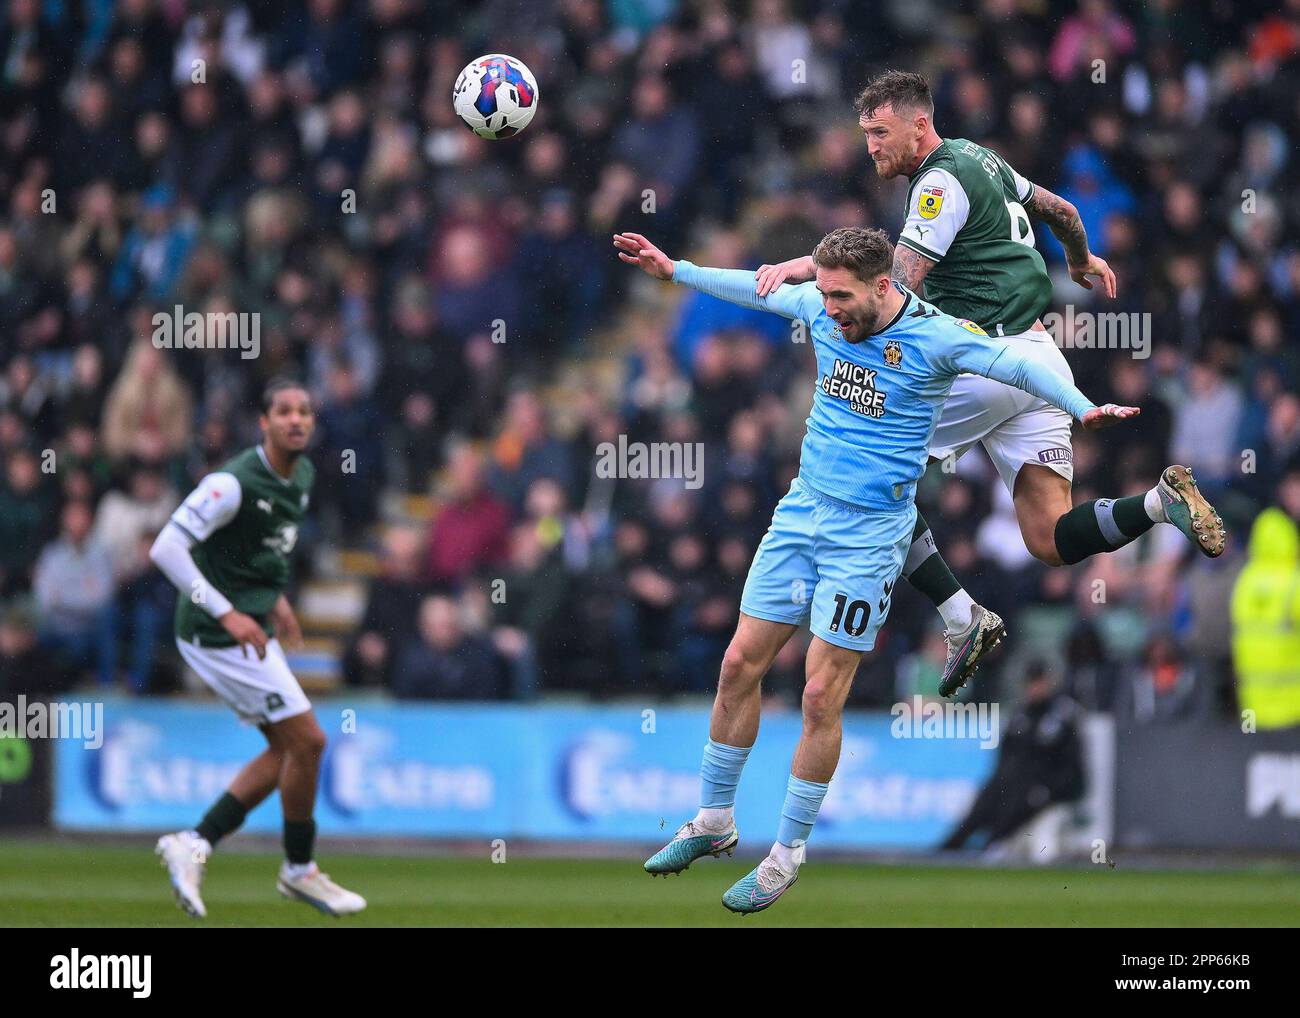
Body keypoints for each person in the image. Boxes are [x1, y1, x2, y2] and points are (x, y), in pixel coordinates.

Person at [614, 224, 1134, 913]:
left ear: (884, 286)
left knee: (819, 697)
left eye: (841, 296)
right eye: (823, 294)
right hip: (802, 514)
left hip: (869, 538)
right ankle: (713, 822)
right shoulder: (819, 307)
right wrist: (675, 268)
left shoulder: (936, 337)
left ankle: (786, 856)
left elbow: (1020, 366)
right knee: (739, 663)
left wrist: (1081, 407)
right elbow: (758, 291)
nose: (828, 309)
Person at [755, 70, 1226, 696]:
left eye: (878, 131)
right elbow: (1061, 210)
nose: (869, 146)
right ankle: (1158, 505)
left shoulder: (937, 187)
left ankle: (961, 616)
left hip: (983, 362)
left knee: (871, 469)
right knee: (1051, 539)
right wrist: (1080, 260)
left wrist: (812, 281)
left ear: (919, 124)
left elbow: (895, 287)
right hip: (1037, 359)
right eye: (864, 133)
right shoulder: (982, 159)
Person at [148, 379, 365, 919]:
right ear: (264, 423)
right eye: (284, 412)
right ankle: (298, 871)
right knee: (310, 741)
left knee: (289, 748)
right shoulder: (231, 483)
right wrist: (227, 610)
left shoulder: (304, 475)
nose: (296, 420)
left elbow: (262, 547)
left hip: (251, 627)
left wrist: (277, 599)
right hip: (214, 632)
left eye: (305, 412)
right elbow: (166, 548)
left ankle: (195, 843)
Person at [939, 662, 1085, 853]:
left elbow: (1071, 767)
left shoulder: (1063, 716)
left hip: (1044, 789)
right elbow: (1004, 758)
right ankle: (947, 850)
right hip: (1013, 783)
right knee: (982, 806)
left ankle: (990, 847)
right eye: (1031, 683)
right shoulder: (1020, 715)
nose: (1034, 688)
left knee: (1012, 811)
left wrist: (1049, 790)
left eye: (1038, 682)